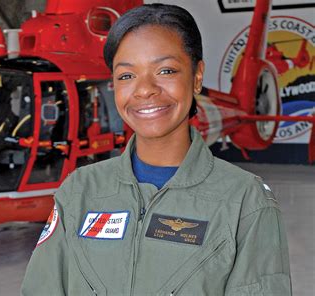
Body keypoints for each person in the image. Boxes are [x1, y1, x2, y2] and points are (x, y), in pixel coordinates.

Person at [21, 4, 291, 296]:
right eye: (126, 75)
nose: (144, 89)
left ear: (197, 76)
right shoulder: (79, 190)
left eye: (166, 70)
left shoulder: (245, 202)